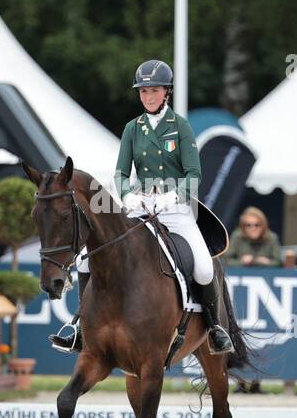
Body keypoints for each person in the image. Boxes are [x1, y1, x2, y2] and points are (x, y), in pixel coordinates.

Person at [50, 58, 233, 355]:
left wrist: (174, 196)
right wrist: (128, 195)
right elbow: (121, 173)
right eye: (143, 92)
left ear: (166, 93)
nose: (148, 97)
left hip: (175, 209)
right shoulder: (132, 129)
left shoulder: (181, 127)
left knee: (202, 266)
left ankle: (214, 328)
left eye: (154, 91)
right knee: (85, 259)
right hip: (139, 205)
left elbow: (194, 175)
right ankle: (80, 328)